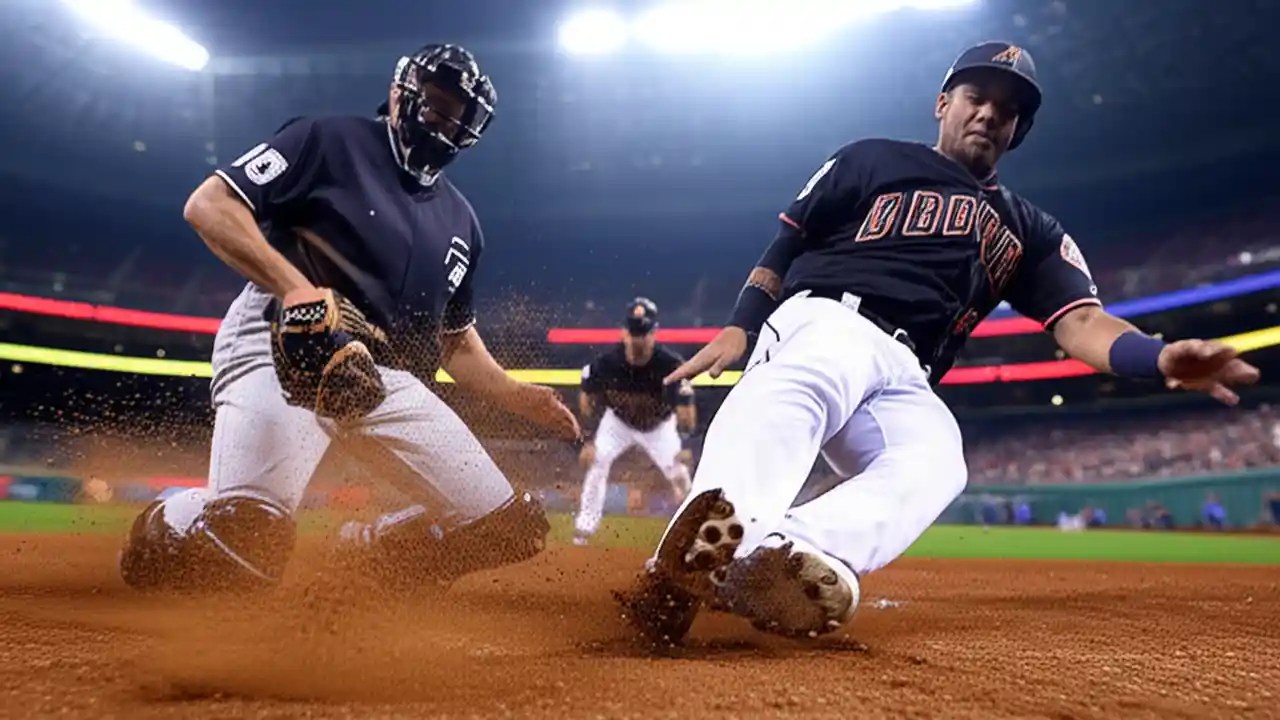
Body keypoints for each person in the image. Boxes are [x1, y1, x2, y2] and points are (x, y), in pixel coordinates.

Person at [619, 41, 1260, 643]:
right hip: (829, 317)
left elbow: (1083, 324)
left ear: (1018, 131)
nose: (989, 113)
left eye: (1008, 110)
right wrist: (743, 319)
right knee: (807, 383)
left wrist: (1161, 355)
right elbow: (789, 239)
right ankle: (682, 567)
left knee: (939, 460)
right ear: (942, 103)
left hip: (909, 373)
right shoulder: (872, 157)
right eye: (976, 95)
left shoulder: (1029, 228)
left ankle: (781, 556)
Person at [118, 43, 580, 594]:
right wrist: (298, 289)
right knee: (247, 543)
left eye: (459, 116)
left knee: (508, 529)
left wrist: (513, 393)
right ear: (399, 92)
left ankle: (370, 555)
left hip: (378, 377)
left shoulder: (463, 223)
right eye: (436, 103)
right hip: (285, 344)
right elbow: (211, 205)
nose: (445, 121)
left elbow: (453, 342)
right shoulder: (329, 140)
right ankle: (168, 523)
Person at [573, 298, 695, 545]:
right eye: (634, 331)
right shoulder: (606, 365)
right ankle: (585, 528)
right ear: (623, 333)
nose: (638, 339)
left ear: (654, 334)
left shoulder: (671, 366)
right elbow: (586, 403)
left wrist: (685, 444)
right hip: (618, 423)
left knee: (679, 473)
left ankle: (695, 531)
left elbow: (686, 413)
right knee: (597, 462)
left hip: (659, 427)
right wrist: (587, 440)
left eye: (644, 332)